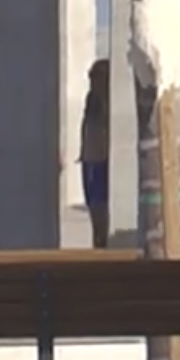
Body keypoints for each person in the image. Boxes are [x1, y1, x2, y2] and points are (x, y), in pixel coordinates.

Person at [79, 61, 112, 248]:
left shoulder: (108, 101)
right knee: (93, 205)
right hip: (90, 158)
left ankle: (102, 241)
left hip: (102, 160)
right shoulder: (91, 100)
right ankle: (98, 240)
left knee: (101, 207)